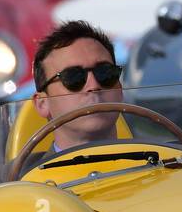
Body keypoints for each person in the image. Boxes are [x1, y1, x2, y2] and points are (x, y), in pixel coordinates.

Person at [30, 20, 124, 154]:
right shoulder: (16, 174)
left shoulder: (160, 160)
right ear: (42, 104)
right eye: (73, 77)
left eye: (105, 73)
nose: (93, 86)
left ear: (120, 90)